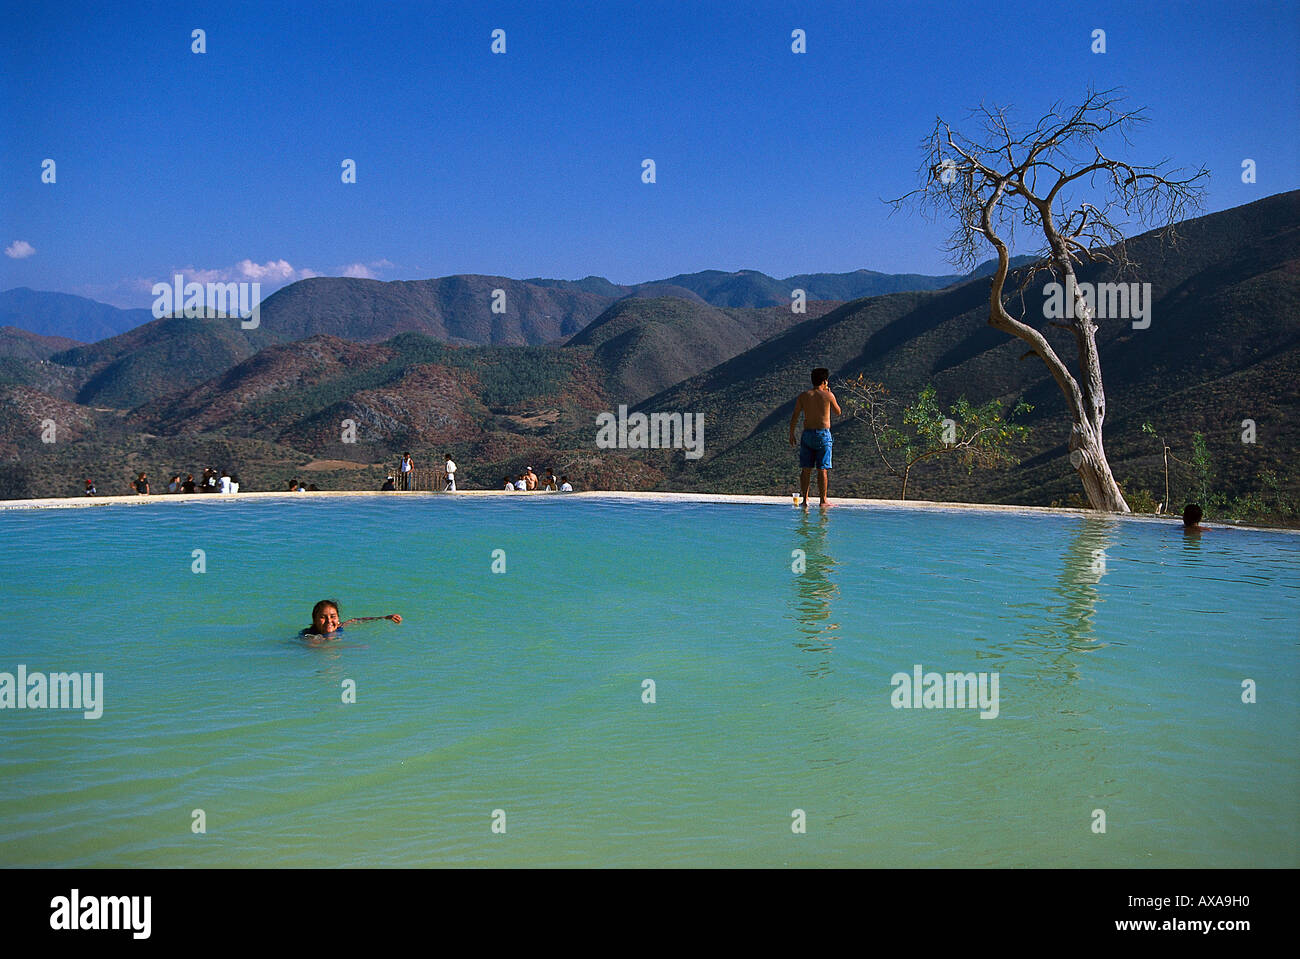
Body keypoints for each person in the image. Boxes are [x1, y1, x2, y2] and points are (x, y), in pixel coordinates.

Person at [788, 367, 841, 507]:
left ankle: (805, 500)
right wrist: (830, 394)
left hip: (807, 433)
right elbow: (838, 412)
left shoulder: (804, 396)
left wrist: (791, 433)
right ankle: (823, 500)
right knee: (822, 469)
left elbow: (795, 415)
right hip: (823, 434)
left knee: (806, 469)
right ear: (825, 381)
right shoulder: (828, 395)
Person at [301, 599, 402, 639]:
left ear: (338, 619)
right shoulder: (310, 635)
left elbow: (356, 620)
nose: (329, 621)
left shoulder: (339, 627)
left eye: (333, 617)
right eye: (323, 617)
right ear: (314, 620)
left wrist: (384, 617)